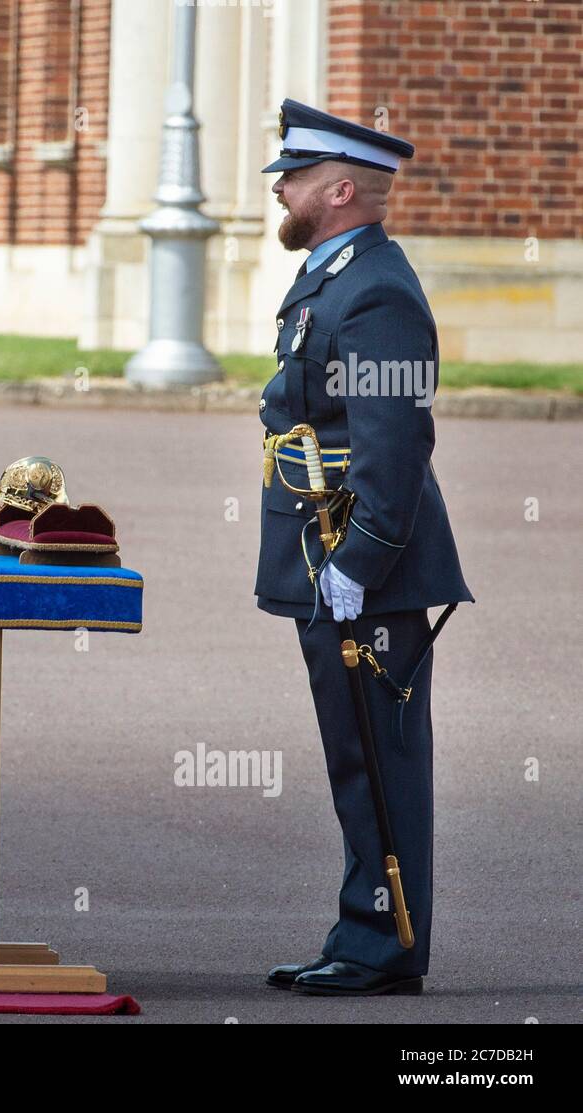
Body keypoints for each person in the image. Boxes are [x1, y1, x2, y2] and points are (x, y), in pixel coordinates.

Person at [254, 99, 474, 996]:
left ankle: (383, 946)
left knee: (380, 759)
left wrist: (361, 558)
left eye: (296, 179)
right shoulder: (335, 274)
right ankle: (363, 930)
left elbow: (396, 439)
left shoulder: (376, 287)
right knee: (357, 754)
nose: (284, 192)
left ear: (340, 190)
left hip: (363, 567)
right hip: (329, 552)